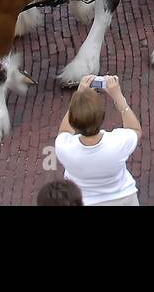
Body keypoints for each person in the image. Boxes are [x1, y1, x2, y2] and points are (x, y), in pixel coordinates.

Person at [55, 75, 142, 206]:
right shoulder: (117, 142)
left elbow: (64, 131)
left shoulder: (64, 147)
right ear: (102, 118)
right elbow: (135, 130)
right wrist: (118, 96)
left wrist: (79, 96)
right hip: (123, 199)